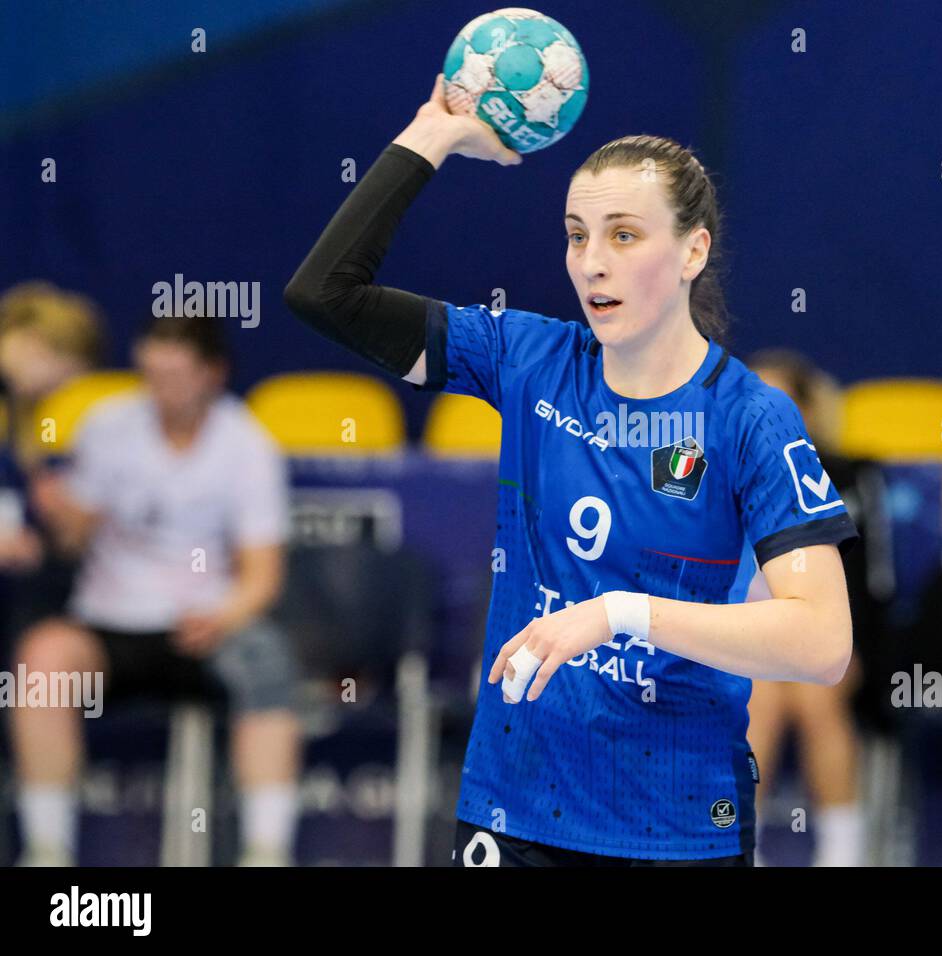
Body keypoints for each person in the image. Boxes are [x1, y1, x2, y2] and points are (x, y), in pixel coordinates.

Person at [285, 73, 858, 866]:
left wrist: (624, 613)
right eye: (575, 234)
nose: (591, 263)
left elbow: (822, 639)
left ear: (694, 250)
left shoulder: (747, 417)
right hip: (513, 810)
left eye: (624, 235)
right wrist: (435, 134)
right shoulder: (528, 358)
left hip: (676, 823)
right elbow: (323, 293)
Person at [8, 315, 303, 866]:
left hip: (203, 628)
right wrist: (61, 513)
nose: (164, 390)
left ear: (213, 374)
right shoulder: (106, 427)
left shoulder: (247, 444)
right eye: (153, 375)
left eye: (177, 376)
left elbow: (263, 575)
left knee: (267, 663)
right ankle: (47, 850)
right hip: (109, 624)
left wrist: (224, 616)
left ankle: (267, 851)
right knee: (41, 664)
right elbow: (74, 542)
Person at [742, 348, 890, 866]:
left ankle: (841, 852)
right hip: (744, 641)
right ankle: (744, 847)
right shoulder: (717, 473)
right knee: (755, 700)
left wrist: (856, 650)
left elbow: (873, 581)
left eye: (776, 402)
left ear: (807, 409)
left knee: (816, 697)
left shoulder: (850, 478)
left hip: (827, 639)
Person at [0, 282, 105, 633]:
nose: (23, 353)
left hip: (81, 582)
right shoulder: (16, 420)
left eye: (43, 347)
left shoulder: (91, 415)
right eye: (21, 341)